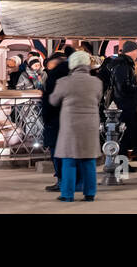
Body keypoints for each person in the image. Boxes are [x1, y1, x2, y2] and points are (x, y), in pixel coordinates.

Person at [48, 50, 103, 202]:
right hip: (90, 125)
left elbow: (53, 100)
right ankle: (90, 192)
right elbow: (98, 98)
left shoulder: (64, 82)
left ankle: (67, 194)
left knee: (69, 160)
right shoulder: (97, 82)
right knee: (88, 160)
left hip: (70, 125)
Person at [40, 51, 69, 191]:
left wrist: (46, 118)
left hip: (55, 120)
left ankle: (62, 182)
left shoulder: (55, 78)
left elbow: (51, 101)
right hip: (70, 121)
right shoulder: (71, 76)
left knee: (57, 153)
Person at [109, 40, 137, 161]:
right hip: (125, 105)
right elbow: (123, 86)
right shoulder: (123, 65)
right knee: (124, 135)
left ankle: (123, 164)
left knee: (126, 135)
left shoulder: (123, 64)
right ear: (131, 51)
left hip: (124, 104)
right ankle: (122, 165)